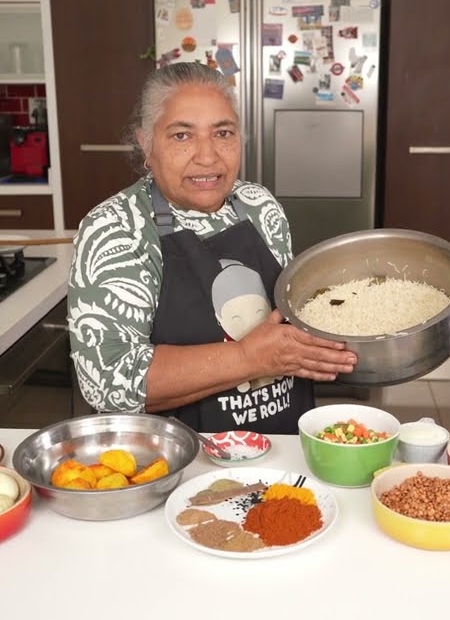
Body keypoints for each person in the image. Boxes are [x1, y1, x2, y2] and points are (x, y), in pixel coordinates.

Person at [67, 63, 357, 433]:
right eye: (182, 136)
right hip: (178, 465)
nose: (208, 156)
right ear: (146, 143)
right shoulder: (117, 227)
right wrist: (247, 358)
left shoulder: (258, 204)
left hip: (283, 448)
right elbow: (107, 382)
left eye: (223, 133)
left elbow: (286, 318)